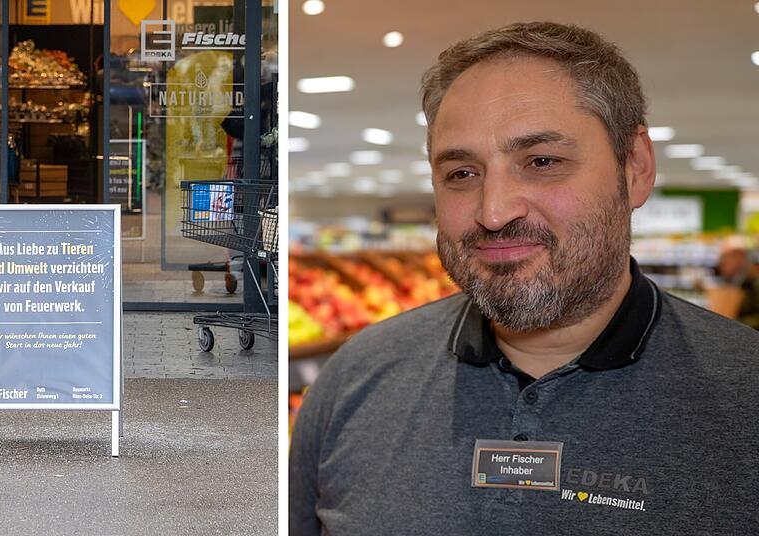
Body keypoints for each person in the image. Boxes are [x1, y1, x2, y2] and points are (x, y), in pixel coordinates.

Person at [289, 21, 759, 535]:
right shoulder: (355, 378)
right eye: (462, 173)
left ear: (636, 168)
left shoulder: (744, 393)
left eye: (542, 161)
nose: (493, 212)